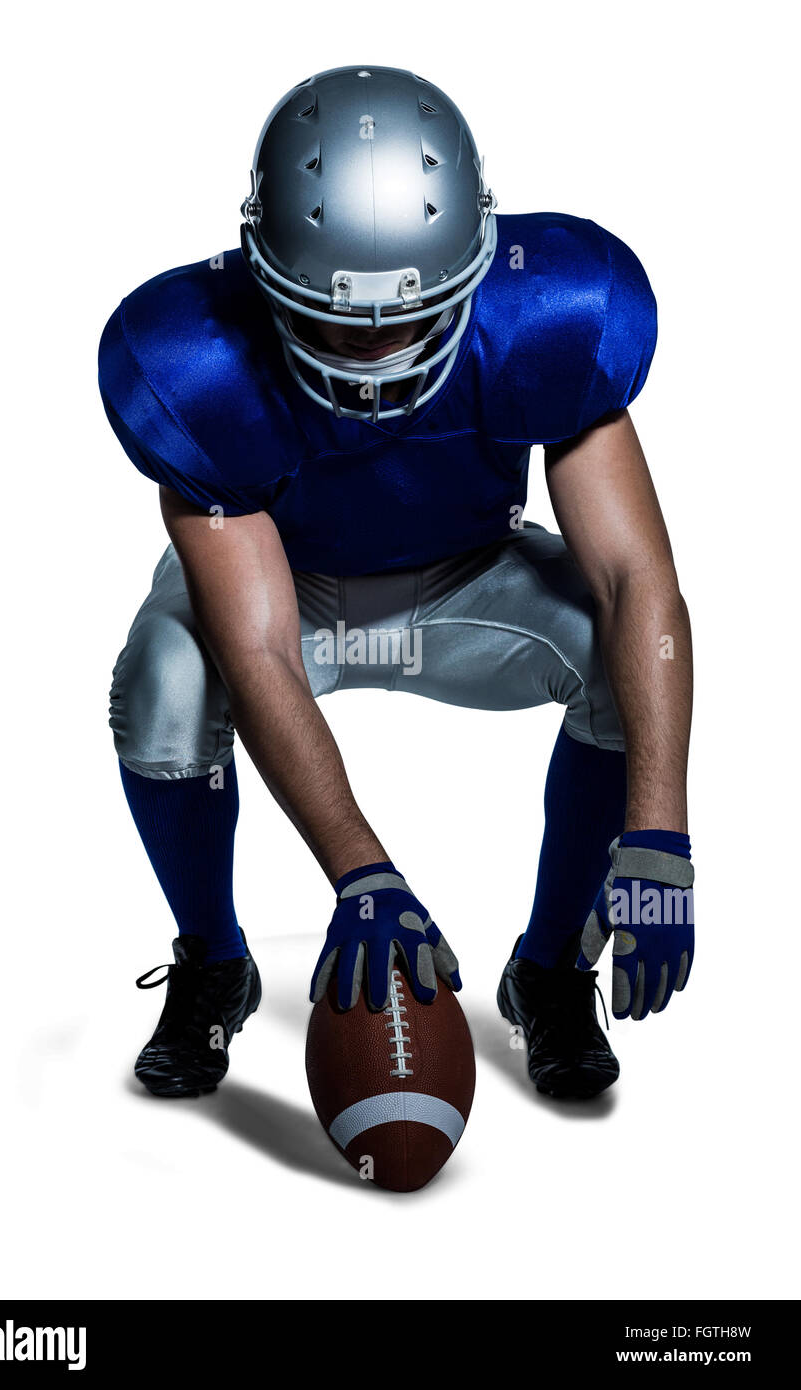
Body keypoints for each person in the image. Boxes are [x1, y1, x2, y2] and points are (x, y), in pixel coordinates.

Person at [99, 65, 694, 1105]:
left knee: (613, 653)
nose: (372, 350)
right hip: (292, 600)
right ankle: (213, 961)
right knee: (163, 674)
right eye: (335, 320)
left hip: (466, 582)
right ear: (260, 271)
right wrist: (361, 870)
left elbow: (636, 575)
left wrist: (657, 832)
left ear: (475, 265)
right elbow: (259, 650)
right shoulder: (192, 365)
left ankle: (550, 968)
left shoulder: (551, 312)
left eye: (402, 315)